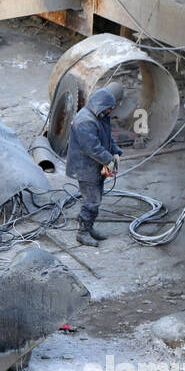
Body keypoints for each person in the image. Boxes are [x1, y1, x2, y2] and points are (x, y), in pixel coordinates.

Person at [65, 81, 125, 247]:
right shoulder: (85, 121)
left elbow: (108, 136)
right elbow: (93, 148)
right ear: (101, 105)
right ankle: (82, 233)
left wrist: (115, 151)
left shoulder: (101, 115)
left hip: (95, 166)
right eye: (109, 108)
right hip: (85, 168)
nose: (110, 111)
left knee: (96, 198)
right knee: (92, 201)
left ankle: (89, 228)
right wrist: (110, 161)